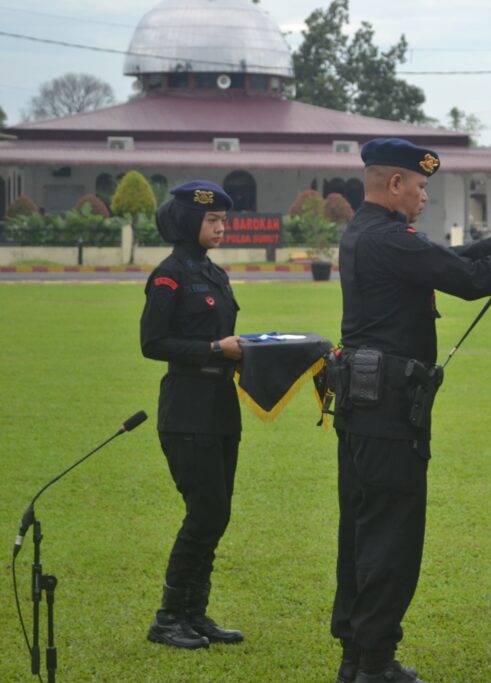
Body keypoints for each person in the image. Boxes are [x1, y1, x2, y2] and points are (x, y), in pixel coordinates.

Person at [332, 138, 491, 683]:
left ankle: (357, 657)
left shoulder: (368, 232)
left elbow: (442, 262)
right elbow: (465, 281)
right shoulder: (389, 237)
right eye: (419, 187)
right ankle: (373, 662)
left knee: (362, 532)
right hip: (389, 410)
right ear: (395, 184)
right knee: (390, 538)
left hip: (365, 407)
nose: (423, 197)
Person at [140, 181, 247, 650]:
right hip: (187, 408)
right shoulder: (170, 275)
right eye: (213, 220)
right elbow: (153, 343)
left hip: (221, 406)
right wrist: (213, 347)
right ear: (188, 221)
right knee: (204, 514)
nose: (222, 227)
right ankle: (167, 618)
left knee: (216, 515)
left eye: (224, 219)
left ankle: (195, 615)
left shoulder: (213, 273)